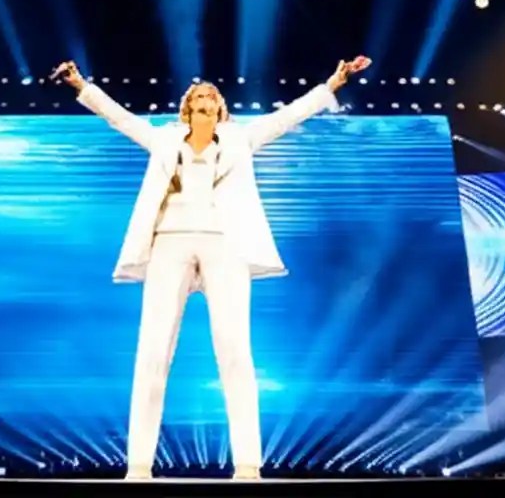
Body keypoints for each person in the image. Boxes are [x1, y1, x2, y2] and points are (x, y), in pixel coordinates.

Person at [52, 56, 371, 481]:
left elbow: (290, 114)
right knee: (152, 353)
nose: (205, 98)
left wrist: (333, 83)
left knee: (236, 353)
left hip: (226, 244)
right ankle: (139, 467)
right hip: (169, 241)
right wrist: (80, 85)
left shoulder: (241, 138)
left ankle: (247, 466)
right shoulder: (163, 139)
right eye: (198, 95)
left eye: (212, 96)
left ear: (221, 109)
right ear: (186, 107)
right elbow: (120, 118)